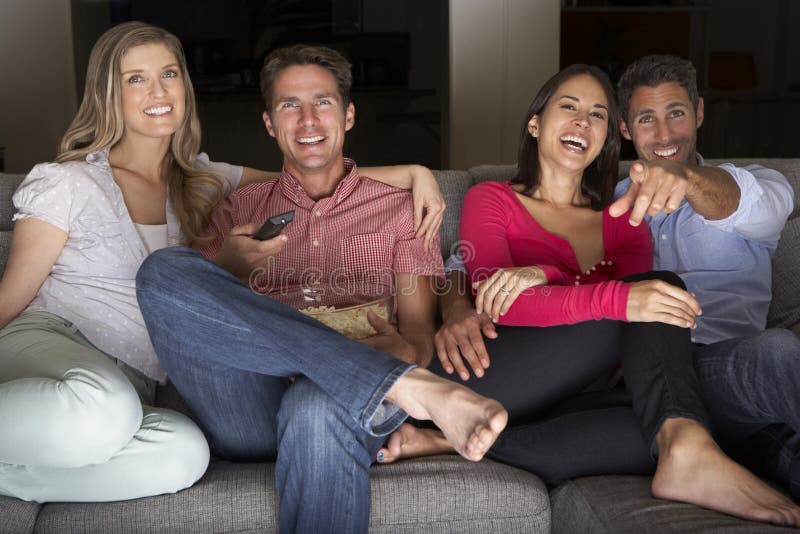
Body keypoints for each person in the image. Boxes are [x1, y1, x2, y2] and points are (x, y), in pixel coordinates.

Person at [0, 21, 447, 503]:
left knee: (184, 454)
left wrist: (414, 172)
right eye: (136, 78)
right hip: (56, 347)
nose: (158, 91)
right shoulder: (66, 182)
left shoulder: (206, 180)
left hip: (132, 384)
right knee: (144, 321)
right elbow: (10, 301)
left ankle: (12, 478)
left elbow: (306, 169)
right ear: (108, 93)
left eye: (169, 74)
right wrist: (227, 267)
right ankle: (364, 373)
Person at [375, 63, 800, 527]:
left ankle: (453, 438)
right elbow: (499, 293)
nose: (583, 121)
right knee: (660, 291)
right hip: (492, 369)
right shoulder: (492, 198)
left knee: (654, 424)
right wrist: (463, 301)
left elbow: (632, 322)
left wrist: (547, 273)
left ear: (608, 137)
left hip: (596, 387)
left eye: (597, 114)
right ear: (535, 124)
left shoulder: (625, 212)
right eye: (569, 107)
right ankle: (686, 441)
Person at [135, 44, 507, 534]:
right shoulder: (237, 209)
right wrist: (229, 266)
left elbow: (417, 333)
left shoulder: (399, 209)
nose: (308, 119)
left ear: (349, 115)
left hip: (340, 407)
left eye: (323, 102)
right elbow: (193, 320)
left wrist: (406, 355)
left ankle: (381, 381)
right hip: (250, 406)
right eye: (290, 105)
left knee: (315, 403)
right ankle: (396, 385)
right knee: (161, 271)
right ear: (270, 123)